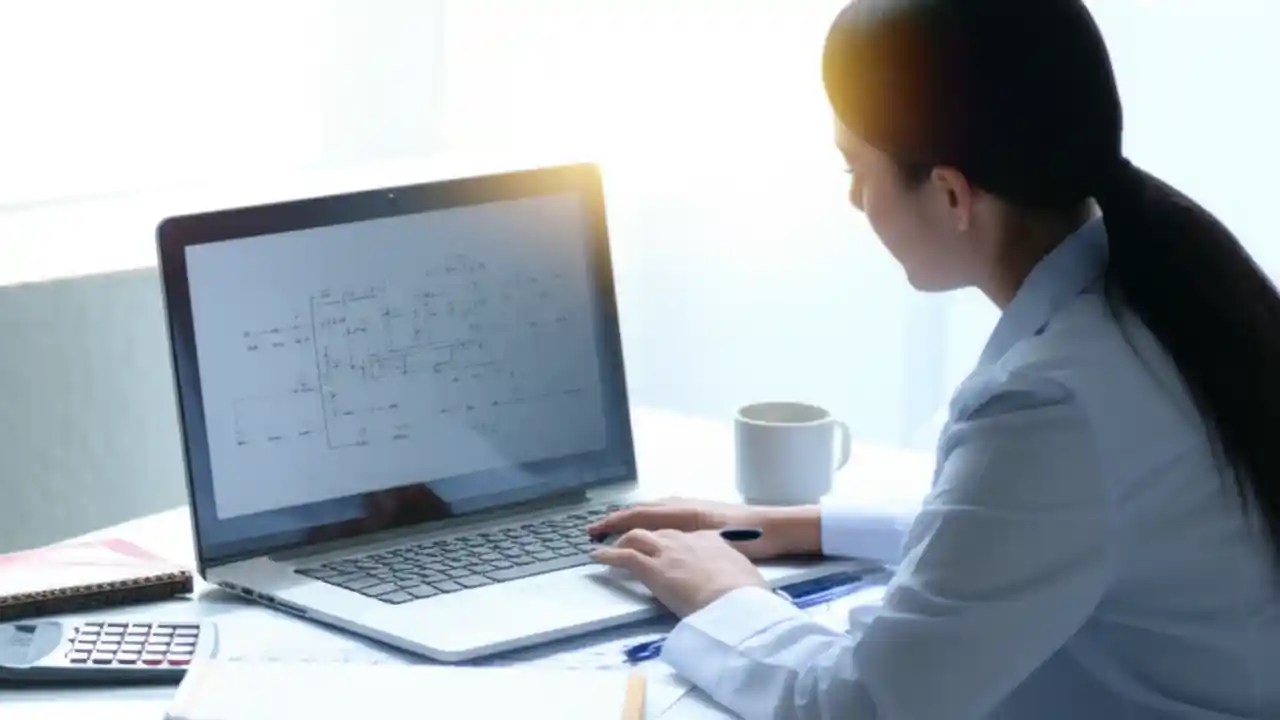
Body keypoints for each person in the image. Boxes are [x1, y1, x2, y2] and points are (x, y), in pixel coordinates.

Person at [586, 1, 1280, 717]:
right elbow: (1027, 529)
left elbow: (860, 705)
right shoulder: (1158, 299)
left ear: (951, 193)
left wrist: (722, 596)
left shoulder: (1054, 403)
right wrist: (796, 525)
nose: (854, 200)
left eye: (856, 169)